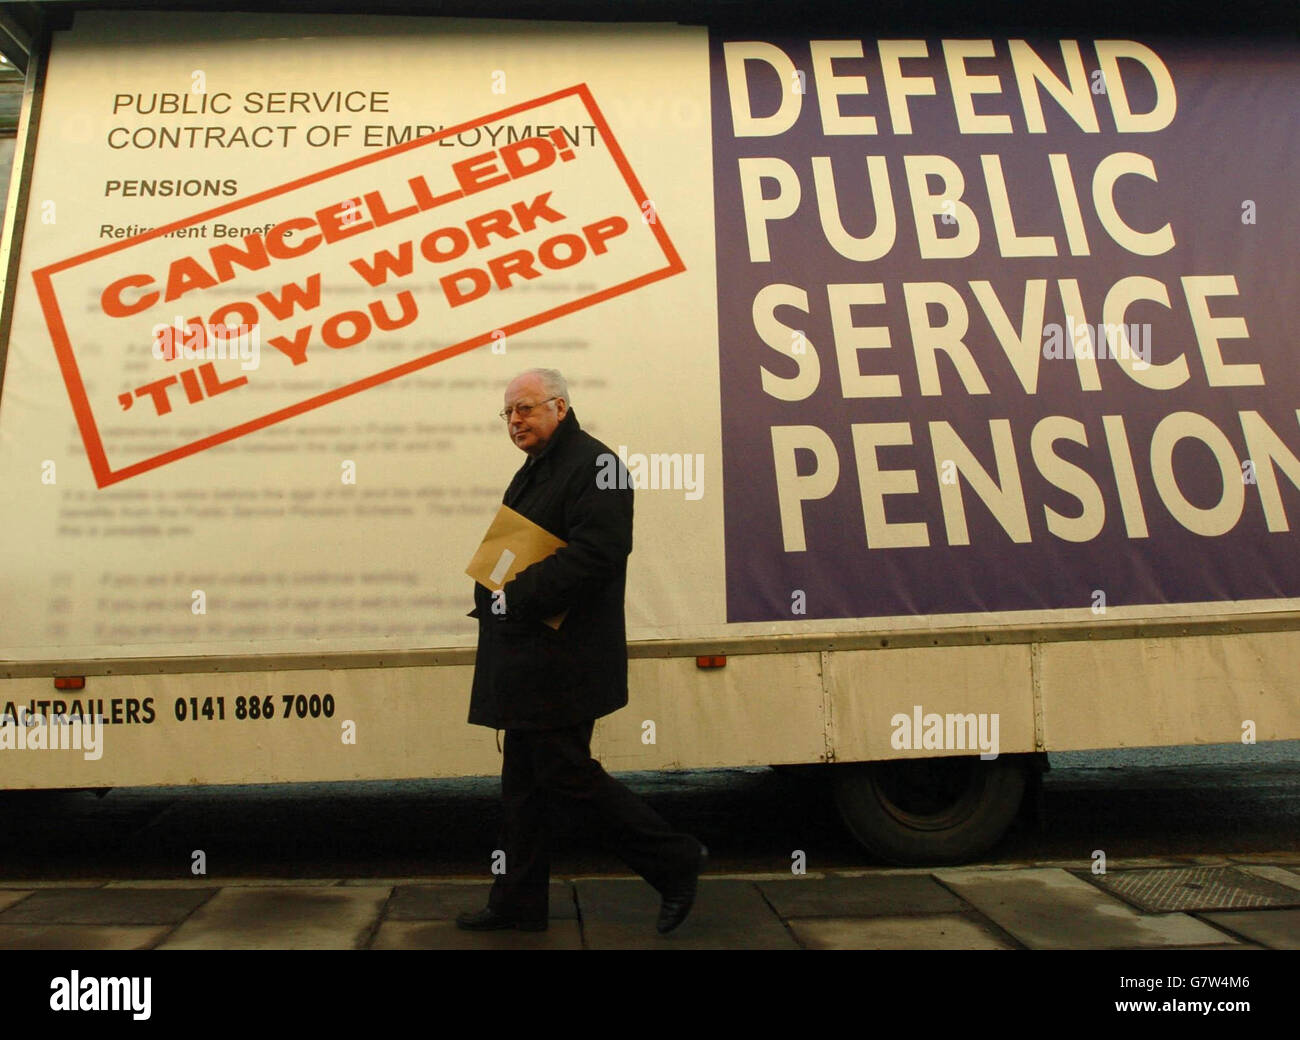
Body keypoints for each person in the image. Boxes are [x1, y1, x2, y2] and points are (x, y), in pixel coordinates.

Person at [456, 368, 707, 935]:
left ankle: (675, 859)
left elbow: (599, 554)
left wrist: (514, 597)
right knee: (523, 787)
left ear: (561, 407)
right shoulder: (539, 468)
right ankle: (517, 905)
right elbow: (512, 544)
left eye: (525, 409)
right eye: (509, 414)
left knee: (566, 775)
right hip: (530, 656)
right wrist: (489, 590)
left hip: (564, 661)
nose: (515, 421)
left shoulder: (600, 468)